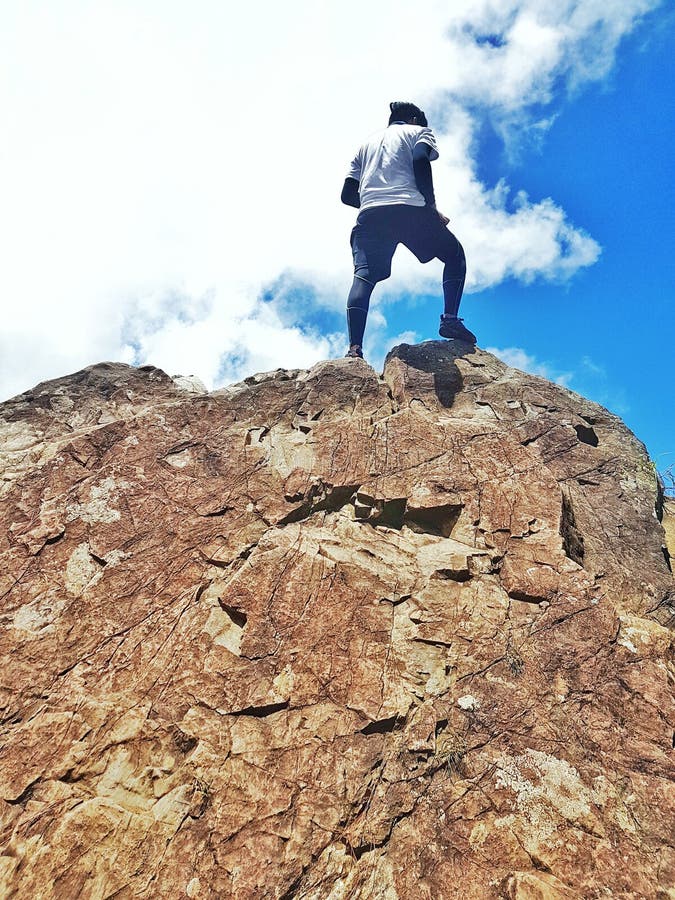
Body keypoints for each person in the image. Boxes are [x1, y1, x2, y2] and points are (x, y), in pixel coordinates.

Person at [341, 101, 475, 359]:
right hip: (411, 209)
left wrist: (376, 203)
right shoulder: (418, 132)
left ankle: (354, 349)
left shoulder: (365, 146)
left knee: (364, 278)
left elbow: (347, 194)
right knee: (454, 254)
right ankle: (450, 319)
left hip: (370, 215)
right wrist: (431, 206)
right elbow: (420, 159)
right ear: (414, 119)